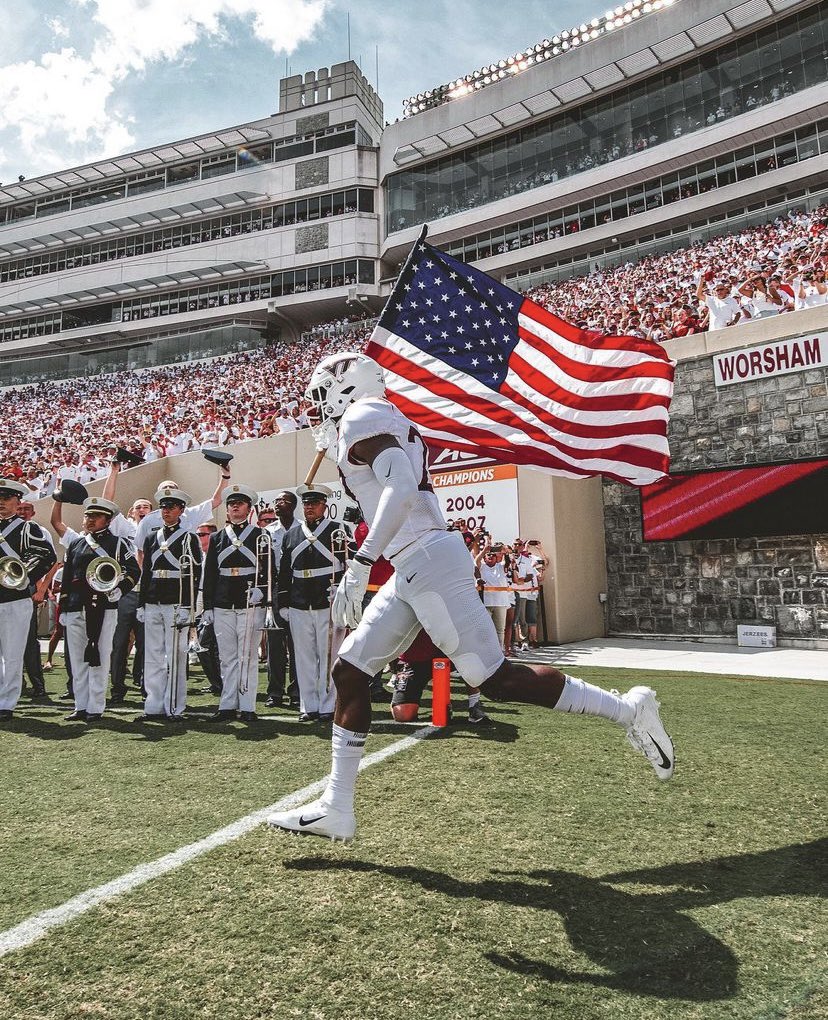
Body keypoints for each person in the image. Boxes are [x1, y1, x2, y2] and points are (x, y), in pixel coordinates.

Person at [269, 353, 675, 842]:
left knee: (495, 679)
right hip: (413, 563)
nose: (319, 407)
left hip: (426, 559)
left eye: (322, 395)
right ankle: (337, 807)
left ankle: (630, 709)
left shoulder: (362, 415)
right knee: (350, 671)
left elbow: (400, 488)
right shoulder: (371, 418)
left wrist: (361, 561)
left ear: (345, 389)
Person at [60, 497, 140, 722]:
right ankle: (80, 705)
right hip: (76, 605)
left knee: (100, 656)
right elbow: (67, 577)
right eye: (88, 515)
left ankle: (95, 707)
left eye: (96, 516)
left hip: (104, 605)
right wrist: (64, 606)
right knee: (77, 658)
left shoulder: (118, 543)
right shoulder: (76, 544)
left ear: (108, 520)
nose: (90, 520)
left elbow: (133, 570)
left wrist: (120, 590)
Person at [201, 484, 272, 722]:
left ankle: (248, 705)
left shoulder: (261, 535)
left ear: (248, 509)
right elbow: (210, 573)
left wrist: (262, 590)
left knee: (248, 656)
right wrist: (208, 606)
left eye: (239, 503)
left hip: (250, 602)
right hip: (223, 602)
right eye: (231, 504)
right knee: (227, 657)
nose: (234, 507)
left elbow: (269, 568)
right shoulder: (217, 537)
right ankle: (227, 704)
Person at [277, 484, 347, 722]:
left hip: (327, 601)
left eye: (315, 503)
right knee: (303, 657)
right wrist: (283, 603)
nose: (309, 507)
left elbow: (349, 564)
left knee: (328, 656)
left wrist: (342, 589)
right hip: (299, 601)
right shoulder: (291, 535)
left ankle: (328, 705)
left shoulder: (338, 530)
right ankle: (308, 705)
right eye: (306, 503)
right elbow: (284, 572)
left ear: (324, 506)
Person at [137, 487, 202, 721]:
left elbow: (194, 575)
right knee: (152, 656)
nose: (166, 511)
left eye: (171, 507)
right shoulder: (151, 537)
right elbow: (146, 572)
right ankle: (153, 705)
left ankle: (174, 706)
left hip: (176, 601)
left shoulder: (188, 538)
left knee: (175, 656)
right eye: (163, 507)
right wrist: (141, 603)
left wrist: (188, 607)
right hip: (153, 599)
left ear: (181, 510)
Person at [0, 479, 57, 721]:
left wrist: (23, 578)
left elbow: (46, 555)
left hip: (15, 598)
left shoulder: (27, 529)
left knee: (12, 653)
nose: (1, 503)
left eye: (6, 498)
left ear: (17, 501)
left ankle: (6, 702)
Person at [261, 492, 300, 708]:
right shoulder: (267, 532)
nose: (278, 504)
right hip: (275, 589)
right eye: (276, 501)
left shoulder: (302, 528)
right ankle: (275, 692)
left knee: (297, 644)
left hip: (298, 588)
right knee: (275, 643)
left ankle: (296, 691)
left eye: (283, 501)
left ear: (293, 505)